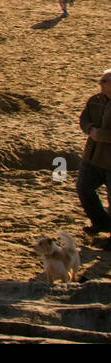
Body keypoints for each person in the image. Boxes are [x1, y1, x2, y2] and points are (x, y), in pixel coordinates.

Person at [76, 70, 111, 245]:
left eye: (104, 81)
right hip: (92, 157)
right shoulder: (95, 101)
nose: (101, 83)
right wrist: (90, 130)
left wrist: (102, 135)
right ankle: (101, 223)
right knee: (83, 188)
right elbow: (83, 119)